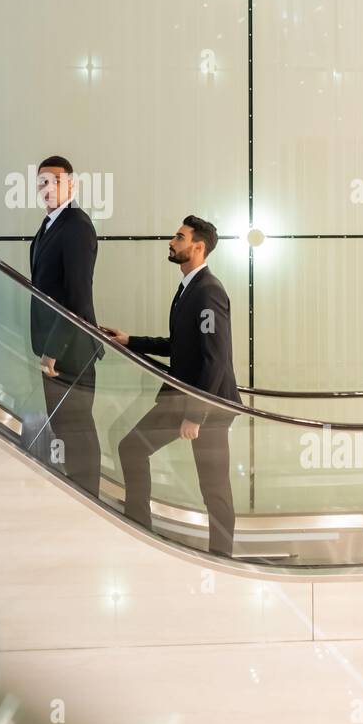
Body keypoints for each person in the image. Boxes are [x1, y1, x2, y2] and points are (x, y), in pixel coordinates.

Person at [103, 216, 239, 556]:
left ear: (198, 246)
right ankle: (139, 524)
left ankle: (222, 556)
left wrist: (195, 414)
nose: (171, 242)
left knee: (214, 487)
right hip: (184, 399)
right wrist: (131, 340)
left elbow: (215, 359)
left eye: (179, 237)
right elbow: (181, 345)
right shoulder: (189, 289)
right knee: (132, 447)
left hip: (207, 406)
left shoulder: (208, 291)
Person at [29, 156, 102, 496]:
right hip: (54, 350)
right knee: (63, 426)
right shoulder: (50, 225)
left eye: (53, 181)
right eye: (41, 182)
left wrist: (52, 351)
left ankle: (89, 499)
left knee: (78, 430)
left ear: (71, 184)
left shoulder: (76, 226)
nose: (46, 189)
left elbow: (76, 297)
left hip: (69, 350)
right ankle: (78, 493)